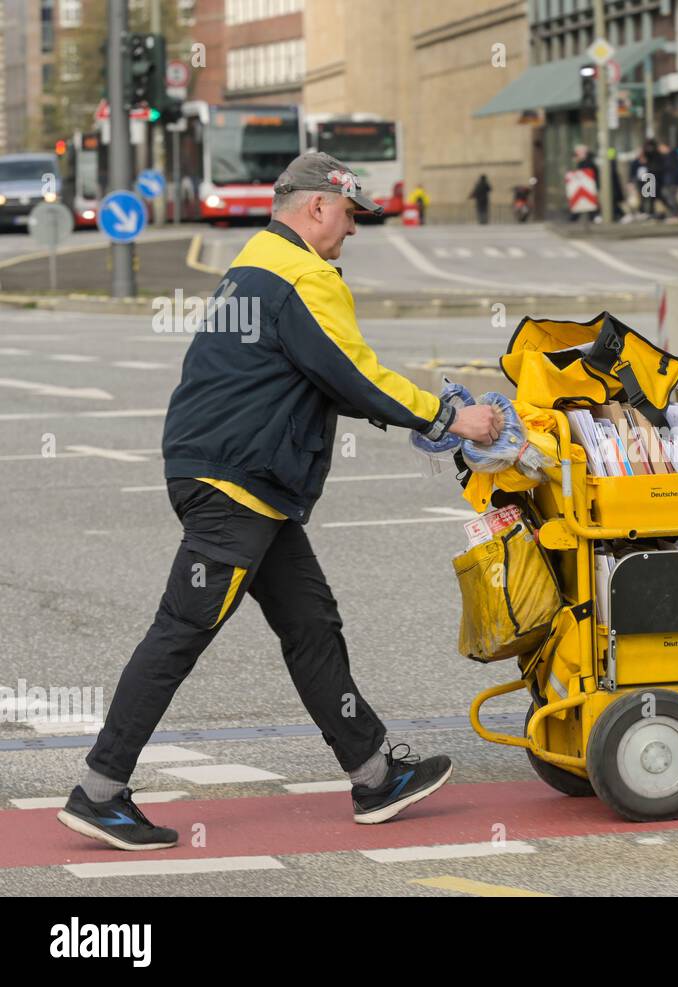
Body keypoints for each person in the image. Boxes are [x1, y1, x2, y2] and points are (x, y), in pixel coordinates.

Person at [57, 152, 503, 852]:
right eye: (351, 215)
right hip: (237, 484)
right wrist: (450, 418)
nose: (353, 231)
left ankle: (374, 772)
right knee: (181, 630)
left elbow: (321, 376)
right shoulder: (302, 275)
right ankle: (100, 788)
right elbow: (356, 375)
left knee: (310, 622)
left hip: (244, 481)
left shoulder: (256, 262)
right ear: (319, 206)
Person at [657, 141, 678, 219]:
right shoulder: (672, 155)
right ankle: (676, 212)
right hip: (670, 180)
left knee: (670, 197)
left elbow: (669, 168)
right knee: (668, 196)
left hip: (672, 181)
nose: (659, 150)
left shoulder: (671, 156)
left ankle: (677, 213)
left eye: (661, 148)